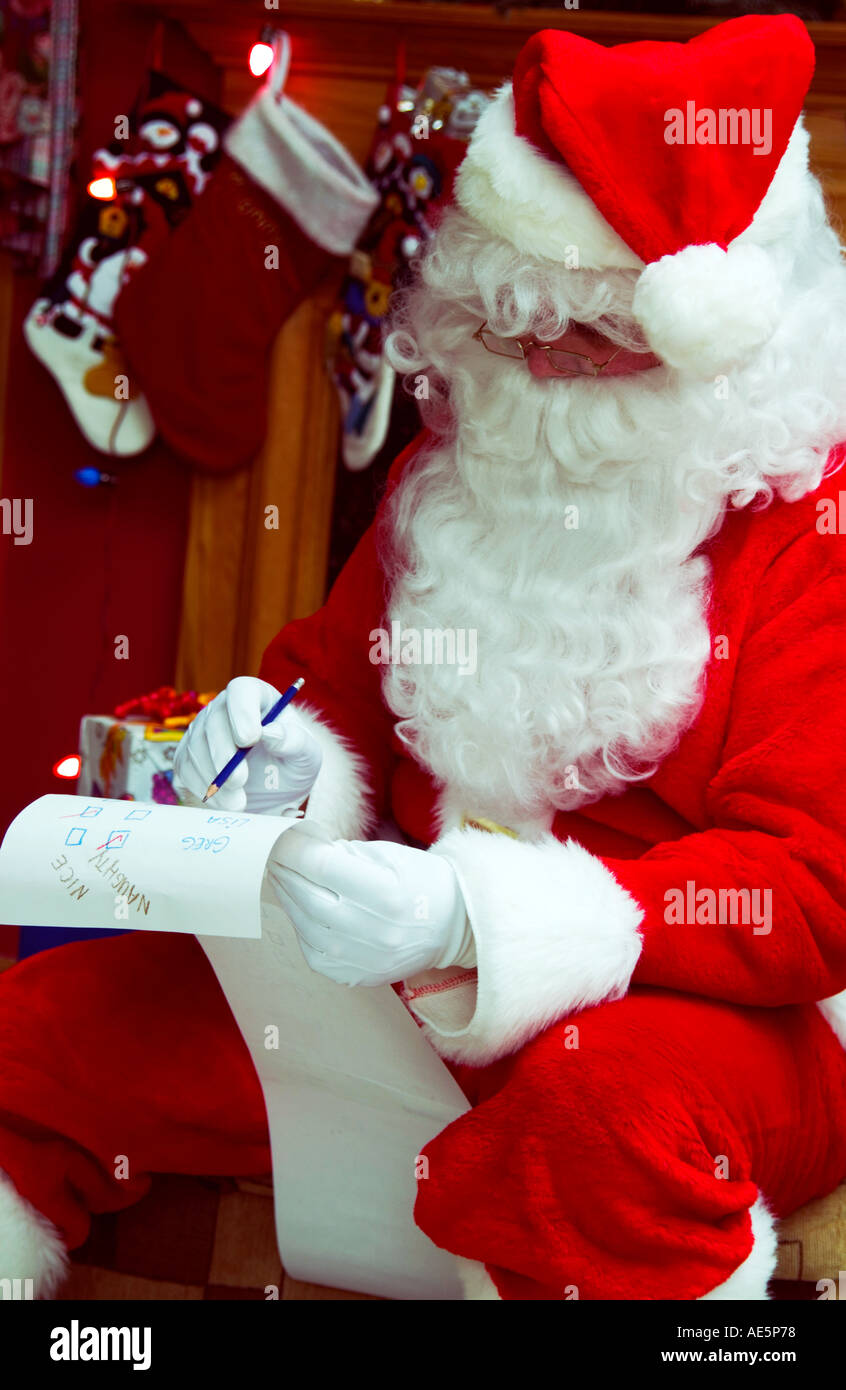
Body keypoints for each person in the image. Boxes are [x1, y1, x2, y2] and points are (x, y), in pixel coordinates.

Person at [3, 14, 846, 1300]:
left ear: (722, 353)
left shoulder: (812, 534)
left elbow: (807, 887)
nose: (549, 378)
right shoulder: (461, 470)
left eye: (602, 346)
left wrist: (491, 916)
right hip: (389, 977)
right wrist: (288, 760)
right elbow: (331, 685)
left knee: (598, 1113)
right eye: (516, 333)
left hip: (699, 1012)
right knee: (41, 1032)